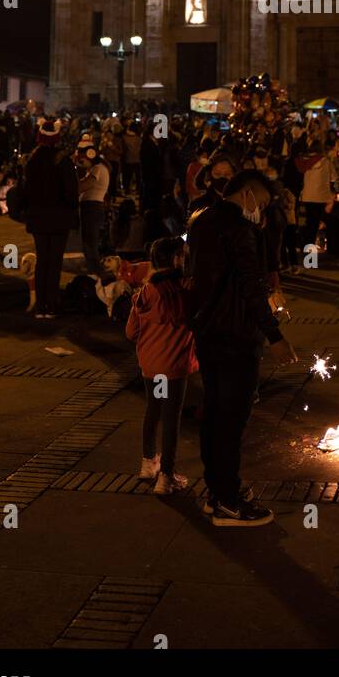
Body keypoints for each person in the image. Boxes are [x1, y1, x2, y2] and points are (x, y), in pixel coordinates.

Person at [188, 170, 298, 525]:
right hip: (236, 334)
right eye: (261, 203)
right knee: (232, 418)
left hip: (208, 331)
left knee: (215, 414)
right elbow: (251, 285)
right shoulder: (240, 230)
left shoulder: (201, 220)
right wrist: (275, 336)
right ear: (247, 195)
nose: (262, 211)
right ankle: (227, 500)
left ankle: (217, 489)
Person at [125, 236, 197, 493]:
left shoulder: (145, 293)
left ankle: (148, 464)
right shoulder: (185, 291)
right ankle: (166, 476)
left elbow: (131, 332)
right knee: (171, 419)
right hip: (175, 367)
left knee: (153, 412)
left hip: (151, 367)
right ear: (176, 258)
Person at [22, 118, 78, 318]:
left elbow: (26, 190)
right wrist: (72, 210)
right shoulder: (63, 160)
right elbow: (71, 191)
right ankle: (51, 305)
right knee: (54, 262)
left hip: (38, 218)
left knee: (42, 260)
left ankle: (40, 305)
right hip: (58, 218)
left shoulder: (32, 160)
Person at [76, 139, 111, 280]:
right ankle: (94, 271)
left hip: (92, 208)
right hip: (91, 207)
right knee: (89, 241)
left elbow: (82, 186)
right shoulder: (94, 169)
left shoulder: (98, 169)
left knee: (90, 242)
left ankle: (97, 273)